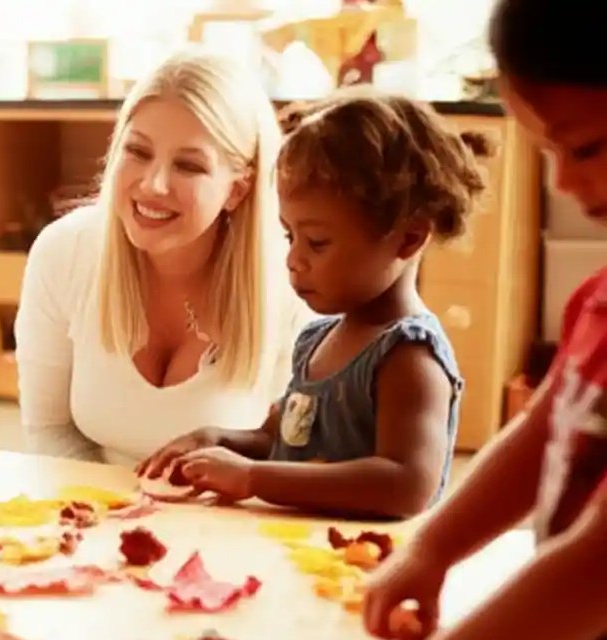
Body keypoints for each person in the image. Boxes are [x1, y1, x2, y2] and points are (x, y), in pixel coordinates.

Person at [303, 2, 607, 640]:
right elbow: (539, 437)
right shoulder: (598, 303)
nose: (562, 183)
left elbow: (599, 565)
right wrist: (432, 548)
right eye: (546, 152)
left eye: (587, 148)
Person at [140, 91, 479, 519]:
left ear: (409, 238)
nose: (294, 259)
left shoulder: (408, 355)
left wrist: (254, 479)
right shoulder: (317, 339)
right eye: (289, 236)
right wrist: (218, 441)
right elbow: (283, 444)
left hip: (361, 567)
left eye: (316, 242)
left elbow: (406, 483)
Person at [15, 49, 307, 468]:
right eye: (137, 151)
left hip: (228, 521)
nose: (153, 185)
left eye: (188, 166)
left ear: (238, 190)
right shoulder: (65, 252)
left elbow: (291, 459)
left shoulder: (291, 281)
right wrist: (113, 512)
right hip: (91, 513)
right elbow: (48, 429)